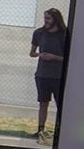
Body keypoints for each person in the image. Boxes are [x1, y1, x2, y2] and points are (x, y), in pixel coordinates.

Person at [30, 7, 70, 140]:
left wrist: (54, 57)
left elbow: (69, 58)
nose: (46, 21)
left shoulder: (64, 35)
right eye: (44, 18)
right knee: (43, 103)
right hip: (42, 75)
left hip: (58, 76)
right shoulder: (39, 33)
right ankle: (40, 130)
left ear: (56, 19)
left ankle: (60, 132)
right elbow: (32, 53)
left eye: (48, 18)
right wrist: (40, 54)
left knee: (61, 104)